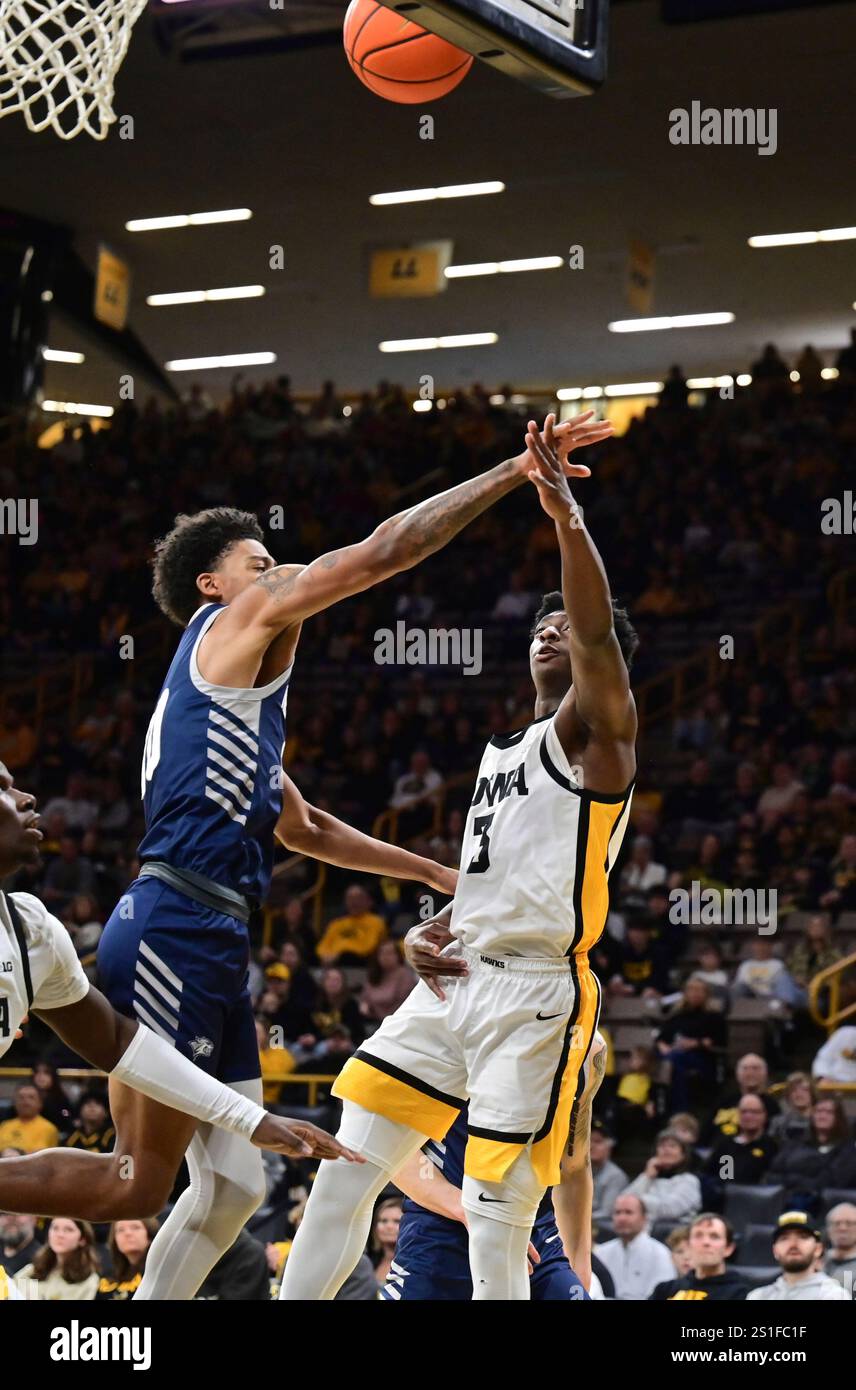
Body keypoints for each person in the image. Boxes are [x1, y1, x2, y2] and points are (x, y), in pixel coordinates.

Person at [95, 411, 551, 1299]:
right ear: (211, 587)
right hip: (173, 923)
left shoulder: (238, 711)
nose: (279, 573)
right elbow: (383, 551)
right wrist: (509, 473)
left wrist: (427, 872)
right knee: (136, 1180)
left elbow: (303, 829)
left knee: (236, 1189)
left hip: (212, 934)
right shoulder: (234, 626)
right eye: (259, 563)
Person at [279, 411, 625, 1302]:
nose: (551, 629)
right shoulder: (498, 752)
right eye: (539, 623)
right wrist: (424, 933)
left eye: (565, 625)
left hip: (537, 994)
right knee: (346, 1164)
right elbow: (485, 881)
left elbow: (594, 639)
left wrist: (564, 519)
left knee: (497, 1209)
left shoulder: (596, 740)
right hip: (457, 980)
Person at [0, 762, 358, 1223]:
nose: (27, 798)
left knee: (138, 1190)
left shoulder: (31, 930)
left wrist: (251, 1120)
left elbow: (120, 1044)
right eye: (4, 789)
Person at [382, 1035, 607, 1301]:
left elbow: (573, 1166)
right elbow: (392, 1147)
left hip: (535, 1238)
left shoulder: (588, 1047)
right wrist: (479, 1216)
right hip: (442, 1232)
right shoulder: (448, 1025)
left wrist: (578, 1267)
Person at [766, 1097, 856, 1206]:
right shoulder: (795, 1142)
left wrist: (793, 1179)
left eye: (829, 1112)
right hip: (786, 1200)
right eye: (818, 1111)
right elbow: (773, 1175)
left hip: (825, 1205)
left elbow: (830, 1183)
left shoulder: (847, 1148)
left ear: (838, 1118)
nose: (822, 1116)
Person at [656, 978, 726, 1110]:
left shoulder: (714, 1017)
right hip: (674, 1055)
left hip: (702, 1057)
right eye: (691, 990)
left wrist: (695, 1043)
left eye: (699, 990)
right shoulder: (677, 1015)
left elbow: (718, 1041)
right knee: (673, 1062)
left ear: (706, 994)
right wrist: (663, 1047)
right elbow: (661, 1038)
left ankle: (676, 1106)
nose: (695, 993)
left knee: (674, 1060)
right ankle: (674, 1107)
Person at [747, 1212, 850, 1302]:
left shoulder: (834, 1295)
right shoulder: (757, 1296)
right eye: (784, 1238)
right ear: (775, 1251)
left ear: (818, 1249)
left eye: (803, 1237)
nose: (793, 1244)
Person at [649, 1213, 749, 1301]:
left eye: (714, 1236)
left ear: (728, 1248)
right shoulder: (664, 1290)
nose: (706, 1242)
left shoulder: (741, 1294)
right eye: (698, 1235)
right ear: (688, 1245)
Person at [595, 1194, 675, 1300]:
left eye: (628, 1212)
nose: (622, 1218)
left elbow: (663, 1294)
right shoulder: (601, 1252)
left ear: (644, 1218)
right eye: (617, 1212)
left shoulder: (660, 1253)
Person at [622, 1131, 702, 1226]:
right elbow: (622, 1203)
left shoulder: (689, 1180)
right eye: (662, 1146)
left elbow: (670, 1210)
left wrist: (636, 1202)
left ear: (683, 1155)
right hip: (643, 1232)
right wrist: (646, 1176)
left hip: (674, 1235)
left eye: (672, 1146)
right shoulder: (648, 1178)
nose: (666, 1150)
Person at [704, 1095, 777, 1193]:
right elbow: (709, 1174)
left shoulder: (771, 1146)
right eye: (744, 1112)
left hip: (756, 1198)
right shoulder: (725, 1144)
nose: (748, 1116)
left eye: (754, 1112)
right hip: (724, 1198)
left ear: (764, 1115)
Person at [16, 1217, 100, 1300]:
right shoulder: (32, 1270)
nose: (60, 1235)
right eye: (55, 1228)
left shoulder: (89, 1280)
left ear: (82, 1239)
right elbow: (9, 1291)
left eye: (68, 1230)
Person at [705, 1053, 780, 1139]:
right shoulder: (724, 1102)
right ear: (737, 1074)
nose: (750, 1073)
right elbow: (705, 1135)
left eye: (755, 1068)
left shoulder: (772, 1106)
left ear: (765, 1074)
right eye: (745, 1068)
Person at [316, 884, 388, 965]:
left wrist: (339, 954)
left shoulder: (376, 922)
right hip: (334, 962)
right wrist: (326, 955)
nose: (354, 902)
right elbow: (323, 946)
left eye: (358, 898)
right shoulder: (336, 923)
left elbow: (368, 947)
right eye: (350, 898)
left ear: (369, 901)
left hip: (360, 962)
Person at [96, 1219, 158, 1300]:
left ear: (149, 1235)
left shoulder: (158, 1272)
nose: (127, 1233)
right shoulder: (107, 1276)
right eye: (120, 1230)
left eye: (135, 1227)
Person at [360, 940, 416, 1025]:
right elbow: (365, 998)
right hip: (373, 1021)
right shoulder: (374, 974)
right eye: (382, 953)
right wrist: (365, 1005)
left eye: (389, 953)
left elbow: (402, 1002)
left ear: (398, 956)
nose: (385, 957)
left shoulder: (405, 975)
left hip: (398, 1021)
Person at [0, 1082, 59, 1154]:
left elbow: (40, 1157)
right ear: (14, 1102)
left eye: (31, 1097)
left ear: (40, 1103)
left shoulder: (48, 1128)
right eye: (21, 1097)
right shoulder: (5, 1125)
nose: (25, 1101)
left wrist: (16, 1153)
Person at [591, 1121, 629, 1227]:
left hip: (603, 1227)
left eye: (597, 1142)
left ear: (609, 1147)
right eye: (588, 1141)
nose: (591, 1146)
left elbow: (607, 1212)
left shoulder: (615, 1175)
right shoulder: (579, 1172)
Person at [768, 1071, 815, 1143]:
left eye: (804, 1090)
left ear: (812, 1094)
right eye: (794, 1090)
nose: (799, 1094)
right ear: (788, 1095)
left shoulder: (820, 1121)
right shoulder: (777, 1123)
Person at [824, 1203, 856, 1295]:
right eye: (836, 1223)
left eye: (849, 1223)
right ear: (828, 1229)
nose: (842, 1228)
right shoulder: (813, 1262)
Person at [371, 1196, 402, 1289]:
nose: (389, 1226)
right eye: (383, 1221)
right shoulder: (368, 1261)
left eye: (397, 1221)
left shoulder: (417, 1263)